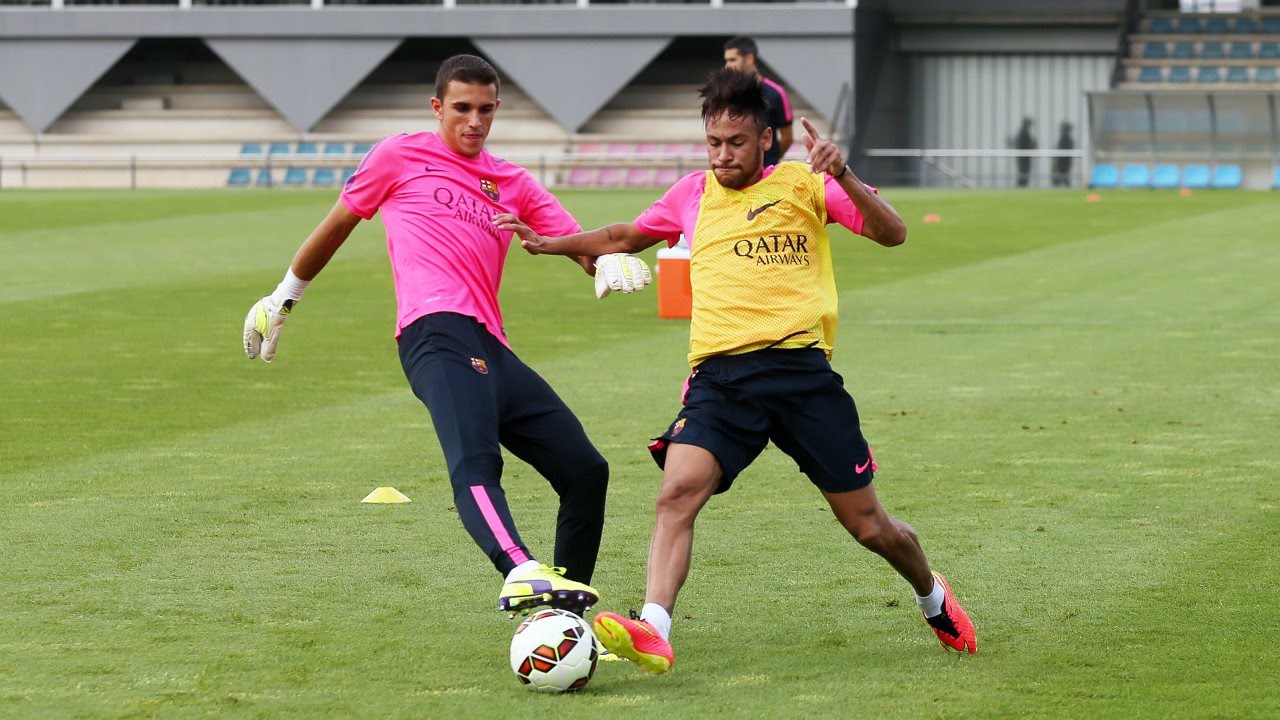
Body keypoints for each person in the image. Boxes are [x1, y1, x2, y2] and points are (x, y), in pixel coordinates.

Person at [496, 68, 978, 674]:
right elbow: (624, 234)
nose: (723, 156)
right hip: (721, 380)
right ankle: (654, 628)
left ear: (767, 140)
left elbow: (894, 233)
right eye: (714, 143)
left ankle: (932, 596)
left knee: (868, 525)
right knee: (675, 493)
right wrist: (551, 242)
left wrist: (845, 176)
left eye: (737, 143)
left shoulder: (807, 184)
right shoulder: (693, 194)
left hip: (802, 376)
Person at [242, 54, 649, 618]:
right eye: (461, 108)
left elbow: (577, 243)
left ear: (497, 109)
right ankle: (520, 569)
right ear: (438, 107)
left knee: (586, 470)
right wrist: (283, 296)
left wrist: (609, 263)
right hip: (432, 334)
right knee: (475, 461)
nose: (474, 121)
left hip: (492, 346)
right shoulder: (397, 155)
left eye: (485, 110)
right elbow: (337, 224)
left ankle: (563, 620)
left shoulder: (513, 182)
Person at [723, 35, 793, 167]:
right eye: (726, 61)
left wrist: (769, 160)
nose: (727, 66)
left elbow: (787, 138)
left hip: (768, 173)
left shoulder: (776, 93)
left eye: (732, 60)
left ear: (749, 58)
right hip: (736, 173)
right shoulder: (726, 94)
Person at [1012, 116, 1037, 188]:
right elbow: (1024, 144)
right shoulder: (1024, 132)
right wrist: (1032, 145)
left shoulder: (1023, 131)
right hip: (1024, 157)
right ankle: (1022, 186)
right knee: (1024, 172)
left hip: (1023, 156)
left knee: (1023, 172)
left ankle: (1022, 186)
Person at [1052, 121, 1074, 188]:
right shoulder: (1066, 138)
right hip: (1064, 159)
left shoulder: (1065, 138)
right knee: (1064, 175)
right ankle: (1061, 185)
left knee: (1062, 175)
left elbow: (1062, 148)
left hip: (1063, 160)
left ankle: (1058, 185)